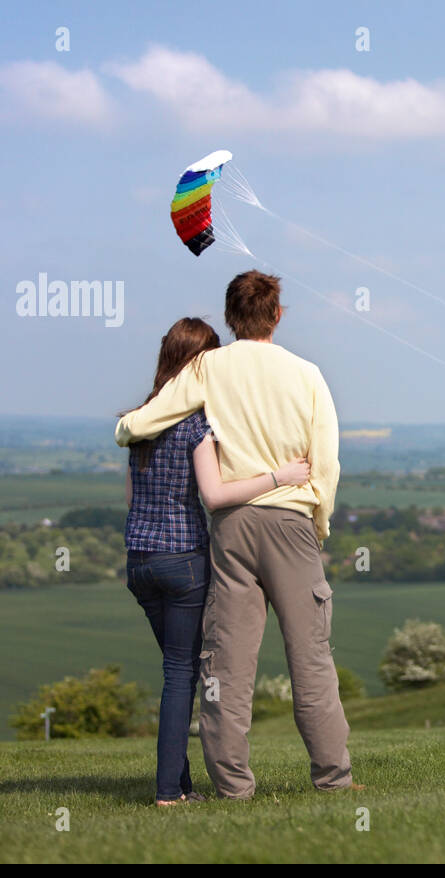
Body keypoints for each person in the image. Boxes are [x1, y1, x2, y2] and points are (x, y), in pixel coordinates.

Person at [115, 271, 357, 798]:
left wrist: (124, 429)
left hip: (231, 528)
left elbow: (139, 424)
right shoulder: (308, 374)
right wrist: (319, 522)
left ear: (229, 317)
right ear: (277, 315)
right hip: (291, 523)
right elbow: (328, 464)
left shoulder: (207, 366)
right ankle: (334, 781)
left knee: (227, 663)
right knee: (311, 657)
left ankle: (232, 789)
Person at [123, 316, 309, 806]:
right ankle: (168, 792)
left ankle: (181, 786)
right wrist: (279, 476)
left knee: (174, 671)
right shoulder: (195, 424)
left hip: (138, 560)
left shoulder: (140, 421)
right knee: (181, 674)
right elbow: (214, 494)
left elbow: (130, 499)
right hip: (183, 558)